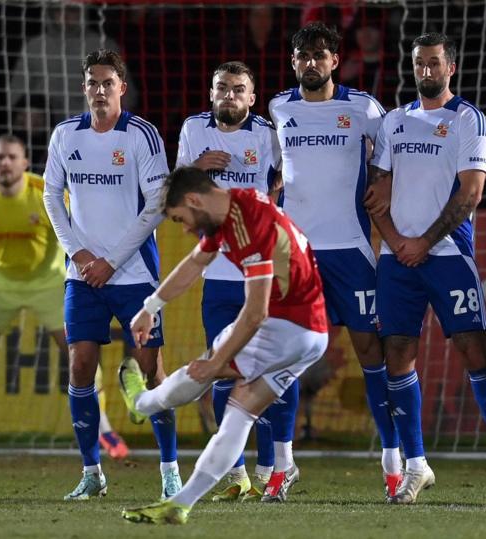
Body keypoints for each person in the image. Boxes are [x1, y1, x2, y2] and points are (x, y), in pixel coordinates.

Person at [364, 32, 486, 505]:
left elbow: (470, 193)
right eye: (419, 64)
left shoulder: (468, 120)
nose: (426, 71)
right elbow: (377, 193)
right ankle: (416, 466)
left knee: (475, 351)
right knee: (396, 352)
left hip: (449, 255)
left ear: (450, 67)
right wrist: (398, 243)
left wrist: (424, 242)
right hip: (398, 260)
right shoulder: (395, 121)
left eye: (434, 63)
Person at [118, 167, 329, 525]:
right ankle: (180, 504)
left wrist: (219, 363)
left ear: (194, 200)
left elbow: (255, 312)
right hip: (312, 334)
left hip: (286, 324)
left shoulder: (246, 222)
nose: (185, 228)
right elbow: (196, 262)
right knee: (240, 411)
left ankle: (143, 403)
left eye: (181, 218)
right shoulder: (232, 211)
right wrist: (150, 308)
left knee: (207, 366)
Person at [0, 135, 129, 461]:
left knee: (80, 353)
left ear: (25, 162)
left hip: (47, 284)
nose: (5, 163)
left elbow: (79, 232)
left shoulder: (46, 193)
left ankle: (104, 430)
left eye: (11, 157)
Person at [268, 21, 402, 498]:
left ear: (334, 60)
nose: (311, 62)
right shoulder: (278, 109)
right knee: (284, 356)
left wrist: (382, 183)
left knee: (372, 354)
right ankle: (282, 466)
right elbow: (270, 174)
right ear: (293, 62)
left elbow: (390, 158)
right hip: (298, 253)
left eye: (319, 55)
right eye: (303, 55)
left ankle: (392, 464)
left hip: (351, 251)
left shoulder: (364, 108)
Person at [43, 49, 179, 501]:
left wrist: (111, 261)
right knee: (80, 366)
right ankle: (91, 472)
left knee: (152, 373)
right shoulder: (65, 135)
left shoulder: (142, 135)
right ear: (84, 88)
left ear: (122, 87)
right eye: (92, 83)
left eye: (108, 83)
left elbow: (157, 205)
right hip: (82, 275)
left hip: (134, 274)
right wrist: (80, 254)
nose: (100, 91)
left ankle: (169, 471)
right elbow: (50, 196)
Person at [176, 60, 291, 502]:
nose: (229, 95)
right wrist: (199, 168)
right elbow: (178, 192)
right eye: (221, 88)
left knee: (268, 371)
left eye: (237, 89)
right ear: (211, 94)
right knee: (223, 370)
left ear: (251, 97)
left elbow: (287, 177)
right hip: (219, 272)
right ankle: (237, 475)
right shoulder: (193, 130)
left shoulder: (267, 133)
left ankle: (273, 467)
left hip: (261, 269)